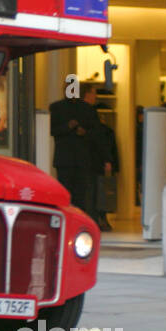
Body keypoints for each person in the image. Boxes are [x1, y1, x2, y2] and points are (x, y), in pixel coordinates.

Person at [49, 81, 99, 221]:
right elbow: (52, 130)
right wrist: (67, 126)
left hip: (81, 158)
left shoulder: (87, 109)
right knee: (65, 193)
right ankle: (65, 219)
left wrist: (85, 133)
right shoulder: (56, 107)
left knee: (81, 195)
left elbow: (96, 132)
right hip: (64, 158)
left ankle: (79, 220)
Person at [85, 86, 118, 231]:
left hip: (85, 160)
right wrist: (107, 159)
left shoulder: (84, 112)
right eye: (94, 93)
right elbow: (98, 138)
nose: (96, 96)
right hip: (93, 160)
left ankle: (92, 220)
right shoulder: (90, 113)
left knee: (91, 192)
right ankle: (94, 220)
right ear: (87, 94)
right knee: (94, 192)